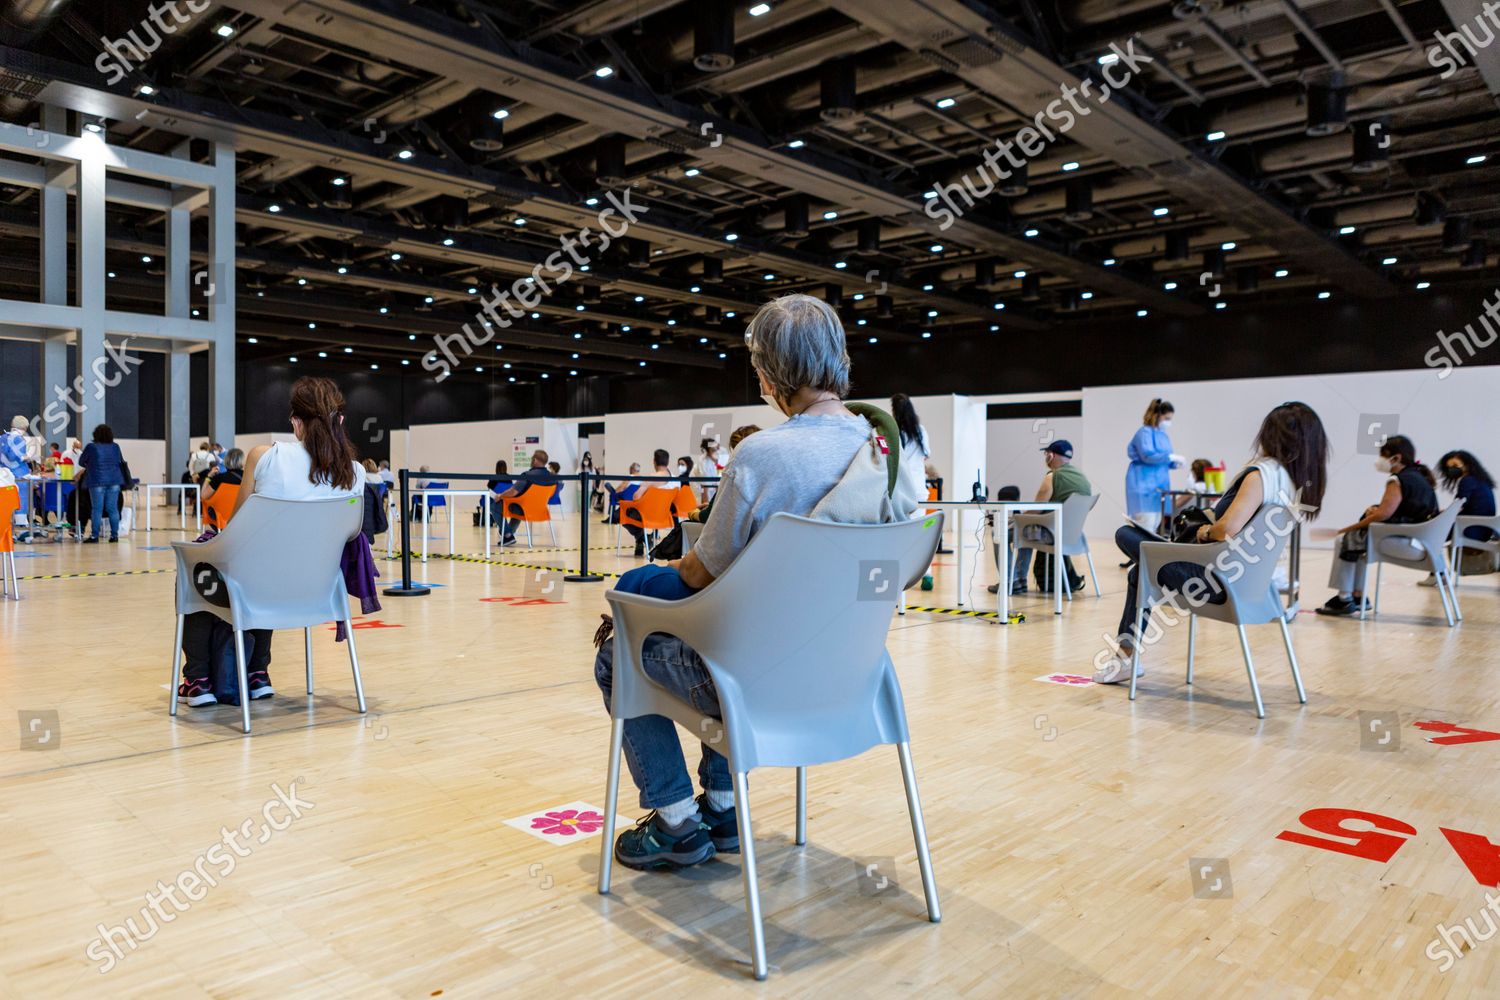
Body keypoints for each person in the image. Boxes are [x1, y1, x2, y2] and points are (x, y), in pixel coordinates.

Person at [593, 293, 924, 871]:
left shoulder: (762, 455)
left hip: (751, 690)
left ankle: (676, 822)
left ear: (771, 371)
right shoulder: (886, 452)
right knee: (726, 628)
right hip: (854, 680)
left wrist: (639, 583)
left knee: (622, 647)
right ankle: (723, 810)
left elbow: (698, 574)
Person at [1096, 402, 1329, 684]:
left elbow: (1225, 530)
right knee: (1140, 569)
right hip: (1254, 586)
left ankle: (1125, 658)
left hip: (1215, 583)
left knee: (1127, 537)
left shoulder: (1260, 476)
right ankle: (1125, 658)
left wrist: (1205, 531)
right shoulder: (1295, 486)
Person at [176, 376, 366, 707]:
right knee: (267, 571)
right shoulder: (355, 473)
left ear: (295, 422)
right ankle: (257, 674)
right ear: (341, 420)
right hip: (318, 591)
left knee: (195, 571)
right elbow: (352, 534)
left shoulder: (265, 456)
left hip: (256, 587)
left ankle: (198, 680)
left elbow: (235, 529)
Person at [1316, 434, 1440, 616]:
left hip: (1408, 544)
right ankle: (1358, 596)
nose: (1379, 460)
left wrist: (1344, 529)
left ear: (1396, 458)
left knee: (1345, 540)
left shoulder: (1397, 480)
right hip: (1425, 544)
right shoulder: (1421, 478)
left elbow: (1384, 514)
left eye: (1383, 455)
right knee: (1358, 543)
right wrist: (1377, 510)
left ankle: (1344, 598)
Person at [989, 439, 1092, 596]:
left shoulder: (1052, 477)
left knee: (1000, 532)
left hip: (1051, 534)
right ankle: (1020, 579)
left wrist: (1015, 519)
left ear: (1050, 456)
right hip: (1074, 535)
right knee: (1027, 528)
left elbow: (1037, 510)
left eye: (1046, 454)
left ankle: (1010, 581)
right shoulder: (1083, 479)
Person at [1431, 450, 1498, 581]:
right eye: (1449, 467)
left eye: (1456, 465)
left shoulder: (1467, 480)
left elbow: (1458, 506)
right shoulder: (1480, 481)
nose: (1452, 469)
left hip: (1471, 529)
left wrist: (1441, 513)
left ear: (1467, 465)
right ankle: (1438, 574)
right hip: (1483, 529)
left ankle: (1438, 575)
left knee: (1432, 535)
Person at [1125, 398, 1183, 535]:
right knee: (1145, 526)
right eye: (1167, 418)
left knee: (1155, 525)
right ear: (1157, 415)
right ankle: (1139, 556)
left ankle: (1146, 556)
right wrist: (1169, 457)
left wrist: (1175, 462)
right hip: (1144, 487)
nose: (1169, 422)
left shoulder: (1162, 435)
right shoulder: (1144, 433)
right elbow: (1147, 456)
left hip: (1159, 489)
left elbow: (1164, 459)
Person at [494, 449, 556, 545]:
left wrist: (500, 496)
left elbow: (513, 492)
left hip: (524, 509)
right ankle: (509, 536)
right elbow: (551, 494)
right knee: (519, 504)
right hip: (541, 510)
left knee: (494, 505)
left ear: (535, 460)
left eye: (532, 458)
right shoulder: (552, 478)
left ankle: (507, 535)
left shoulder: (527, 475)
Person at [77, 424, 127, 543]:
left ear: (95, 435)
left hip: (97, 481)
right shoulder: (115, 447)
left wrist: (91, 465)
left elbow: (81, 461)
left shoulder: (91, 447)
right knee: (113, 509)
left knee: (97, 509)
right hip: (114, 481)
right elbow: (120, 461)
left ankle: (94, 536)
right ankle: (114, 536)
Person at [615, 450, 671, 556]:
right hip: (665, 515)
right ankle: (642, 541)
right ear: (667, 461)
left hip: (647, 515)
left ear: (654, 461)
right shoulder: (674, 480)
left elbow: (636, 497)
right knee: (629, 514)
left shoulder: (651, 478)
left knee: (618, 514)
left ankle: (642, 538)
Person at [695, 438, 725, 503]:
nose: (717, 451)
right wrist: (706, 505)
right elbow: (704, 486)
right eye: (713, 449)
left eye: (717, 448)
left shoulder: (719, 461)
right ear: (708, 451)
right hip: (705, 494)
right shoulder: (703, 462)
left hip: (715, 493)